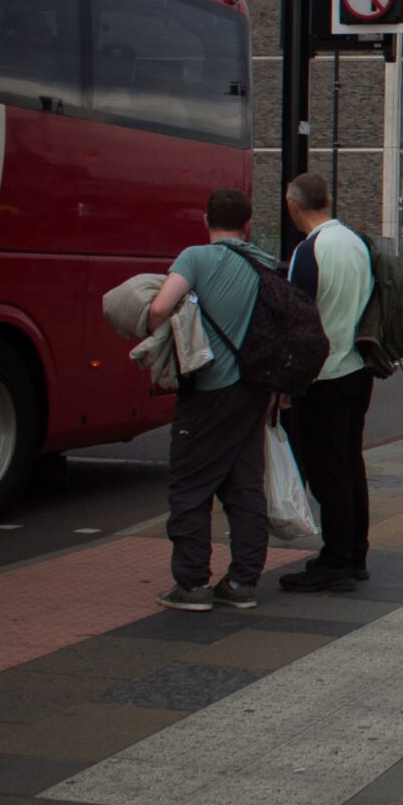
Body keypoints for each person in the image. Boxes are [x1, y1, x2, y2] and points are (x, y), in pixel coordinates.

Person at [142, 187, 274, 612]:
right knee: (244, 486)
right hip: (252, 391)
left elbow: (159, 308)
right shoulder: (264, 263)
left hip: (207, 389)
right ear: (247, 223)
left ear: (206, 221)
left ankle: (193, 583)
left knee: (189, 485)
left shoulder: (195, 258)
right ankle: (242, 582)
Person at [278, 173, 376, 593]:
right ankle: (355, 554)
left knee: (327, 470)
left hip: (324, 375)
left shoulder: (310, 250)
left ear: (292, 206)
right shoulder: (356, 243)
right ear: (329, 201)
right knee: (350, 463)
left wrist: (286, 382)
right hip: (357, 368)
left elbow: (296, 319)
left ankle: (335, 561)